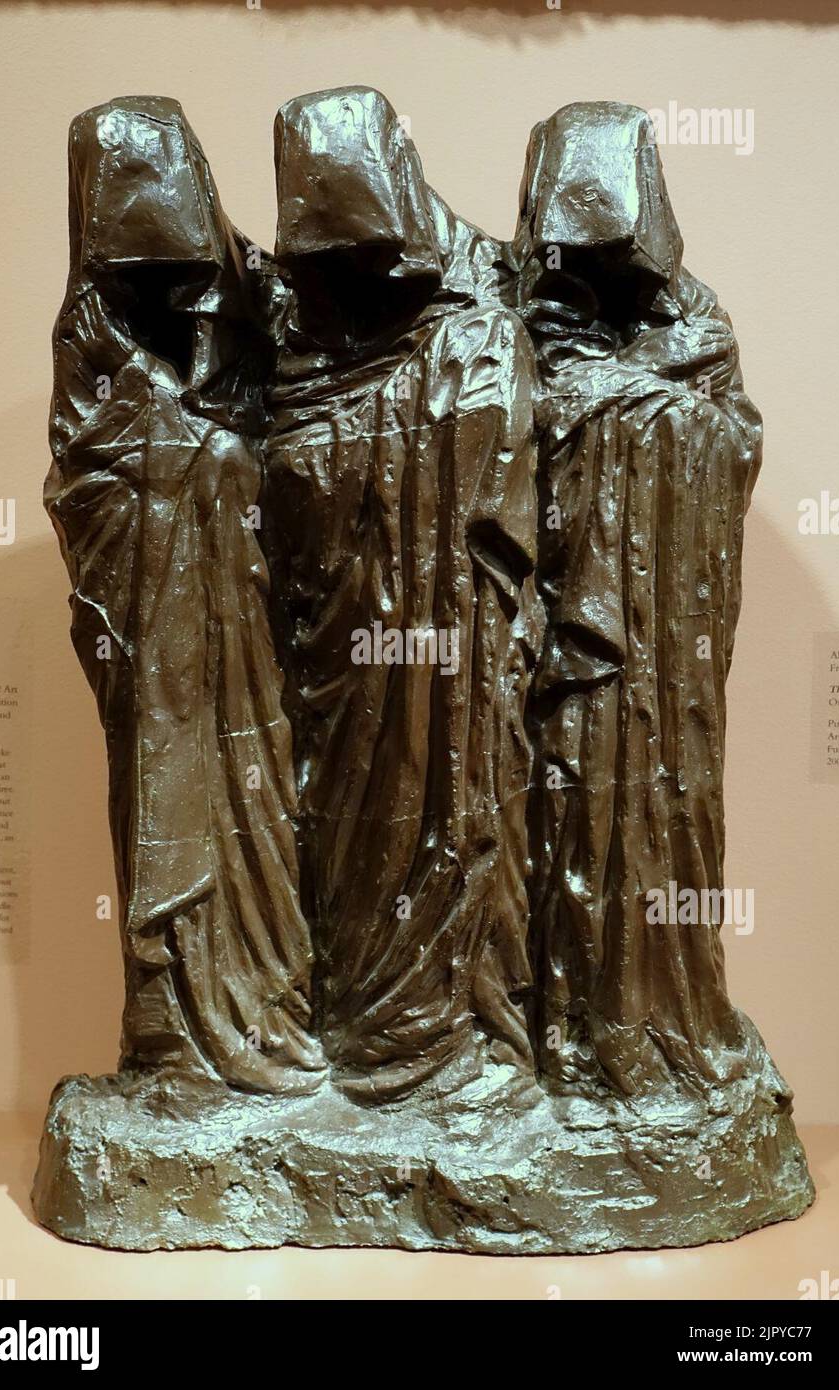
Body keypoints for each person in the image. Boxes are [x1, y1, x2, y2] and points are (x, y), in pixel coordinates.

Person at [263, 86, 543, 1103]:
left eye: (368, 246)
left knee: (453, 820)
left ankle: (448, 1043)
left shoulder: (479, 335)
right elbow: (285, 486)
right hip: (343, 657)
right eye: (327, 251)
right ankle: (358, 1035)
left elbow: (505, 508)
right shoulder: (293, 345)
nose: (352, 272)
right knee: (346, 837)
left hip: (453, 656)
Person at [46, 96, 325, 1095]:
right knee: (163, 815)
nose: (161, 290)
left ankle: (265, 1007)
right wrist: (186, 449)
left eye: (177, 266)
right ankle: (173, 1036)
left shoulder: (258, 316)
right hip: (154, 647)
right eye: (133, 267)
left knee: (262, 806)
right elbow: (83, 482)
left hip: (246, 641)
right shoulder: (88, 345)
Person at [509, 102, 764, 1096]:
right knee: (566, 816)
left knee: (664, 820)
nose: (589, 263)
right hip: (565, 649)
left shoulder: (697, 328)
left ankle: (659, 1018)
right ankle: (572, 1028)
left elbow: (732, 443)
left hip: (662, 660)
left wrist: (624, 398)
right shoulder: (519, 327)